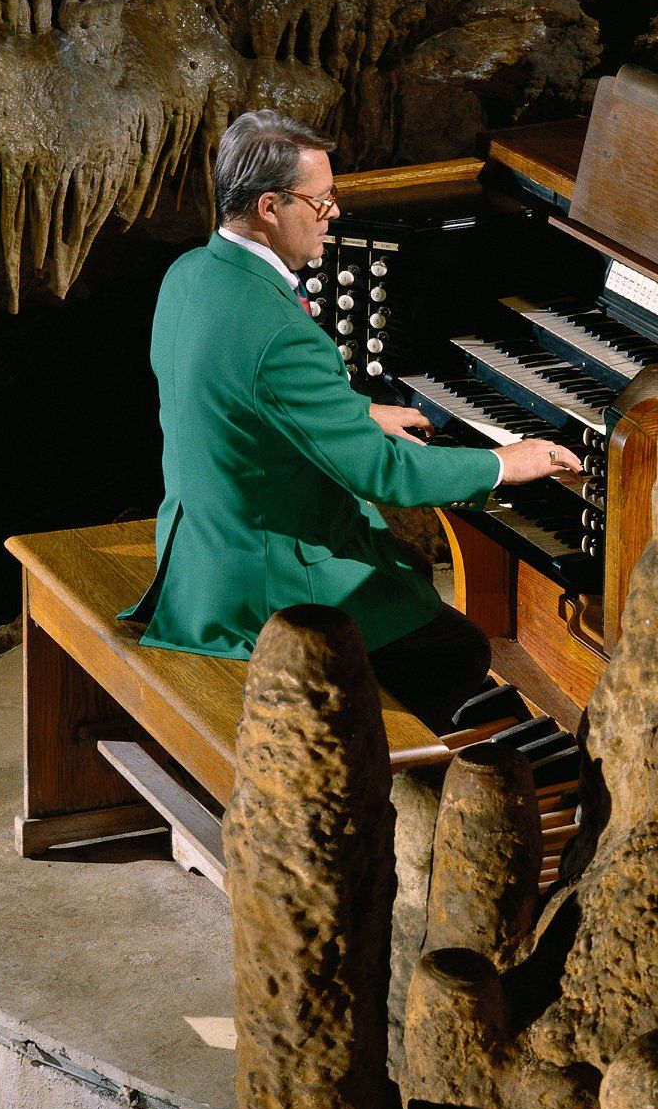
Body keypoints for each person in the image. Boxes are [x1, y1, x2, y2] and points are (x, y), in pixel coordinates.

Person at [122, 110, 581, 729]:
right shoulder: (280, 331)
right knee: (460, 647)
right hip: (263, 584)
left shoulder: (189, 275)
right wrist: (503, 463)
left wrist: (354, 412)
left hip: (200, 547)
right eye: (321, 200)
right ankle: (406, 783)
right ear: (269, 206)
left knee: (407, 575)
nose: (334, 213)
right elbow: (383, 476)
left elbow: (224, 391)